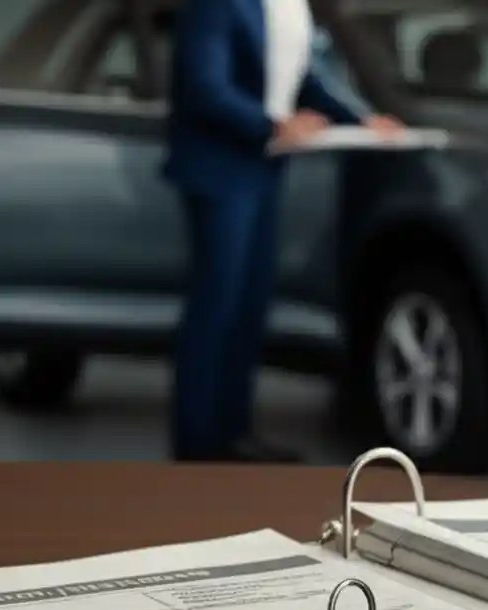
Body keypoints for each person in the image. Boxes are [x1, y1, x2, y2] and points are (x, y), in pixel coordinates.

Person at [164, 0, 401, 462]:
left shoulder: (292, 8)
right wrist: (272, 124)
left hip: (263, 167)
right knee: (217, 305)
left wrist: (360, 120)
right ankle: (194, 442)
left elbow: (302, 76)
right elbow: (206, 86)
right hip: (220, 168)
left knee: (250, 305)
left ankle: (231, 432)